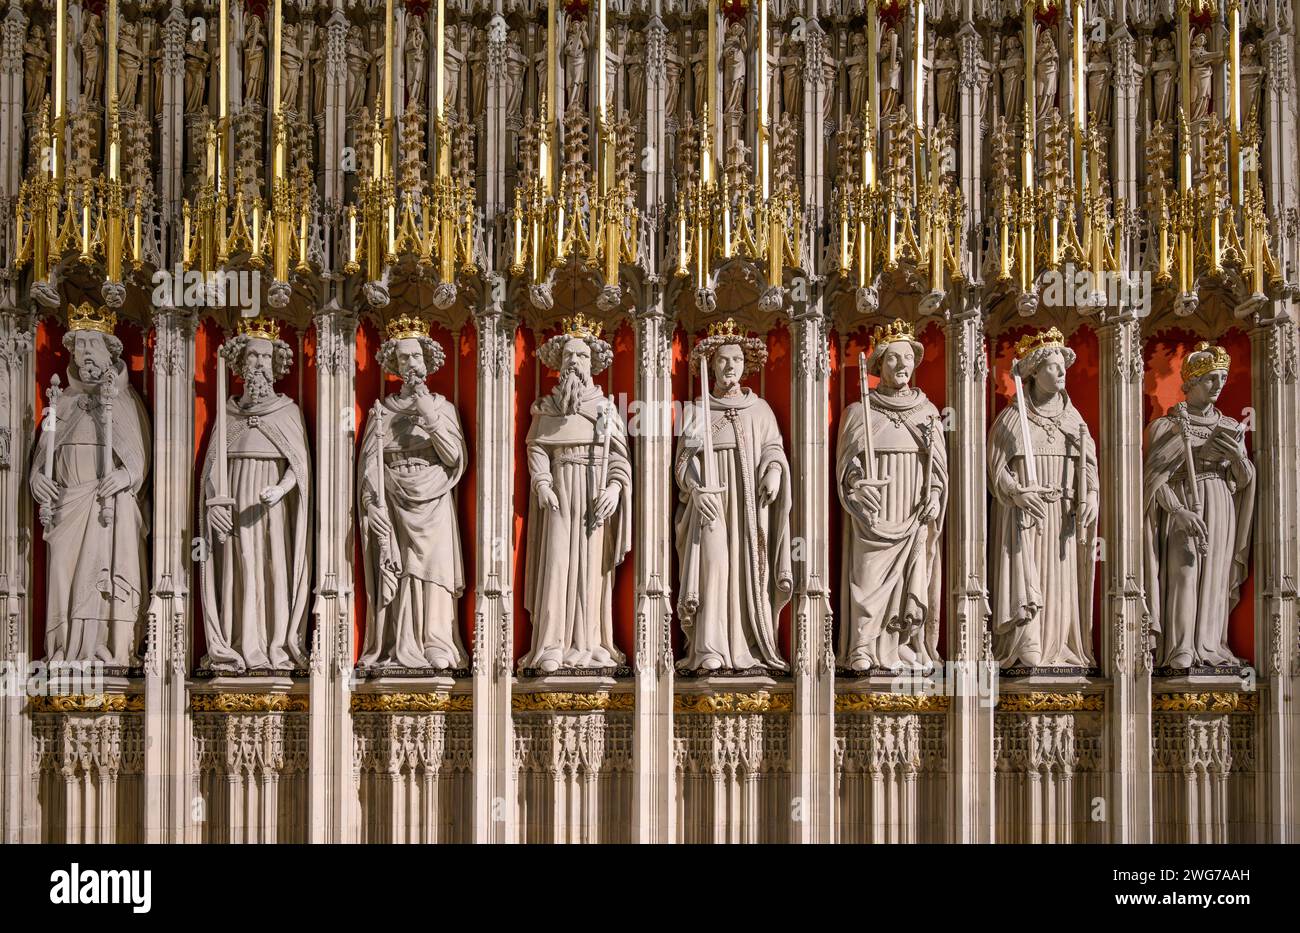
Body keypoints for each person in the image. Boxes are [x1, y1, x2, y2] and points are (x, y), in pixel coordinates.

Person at [675, 319, 791, 672]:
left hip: (748, 504)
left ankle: (748, 647)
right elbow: (683, 460)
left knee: (747, 570)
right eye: (723, 360)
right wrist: (696, 488)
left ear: (745, 366)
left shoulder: (760, 410)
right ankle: (708, 646)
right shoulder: (697, 410)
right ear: (712, 365)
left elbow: (774, 448)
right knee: (715, 565)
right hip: (711, 502)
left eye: (737, 360)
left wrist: (773, 471)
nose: (730, 367)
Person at [1144, 343, 1254, 669]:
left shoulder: (1232, 427)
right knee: (1184, 573)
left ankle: (1211, 644)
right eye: (1210, 379)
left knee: (1216, 576)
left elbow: (1245, 480)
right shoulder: (1167, 426)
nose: (1218, 385)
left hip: (1220, 502)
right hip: (1182, 505)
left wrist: (1236, 458)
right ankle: (1180, 648)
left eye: (1221, 378)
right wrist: (1178, 511)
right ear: (1190, 384)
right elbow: (1153, 482)